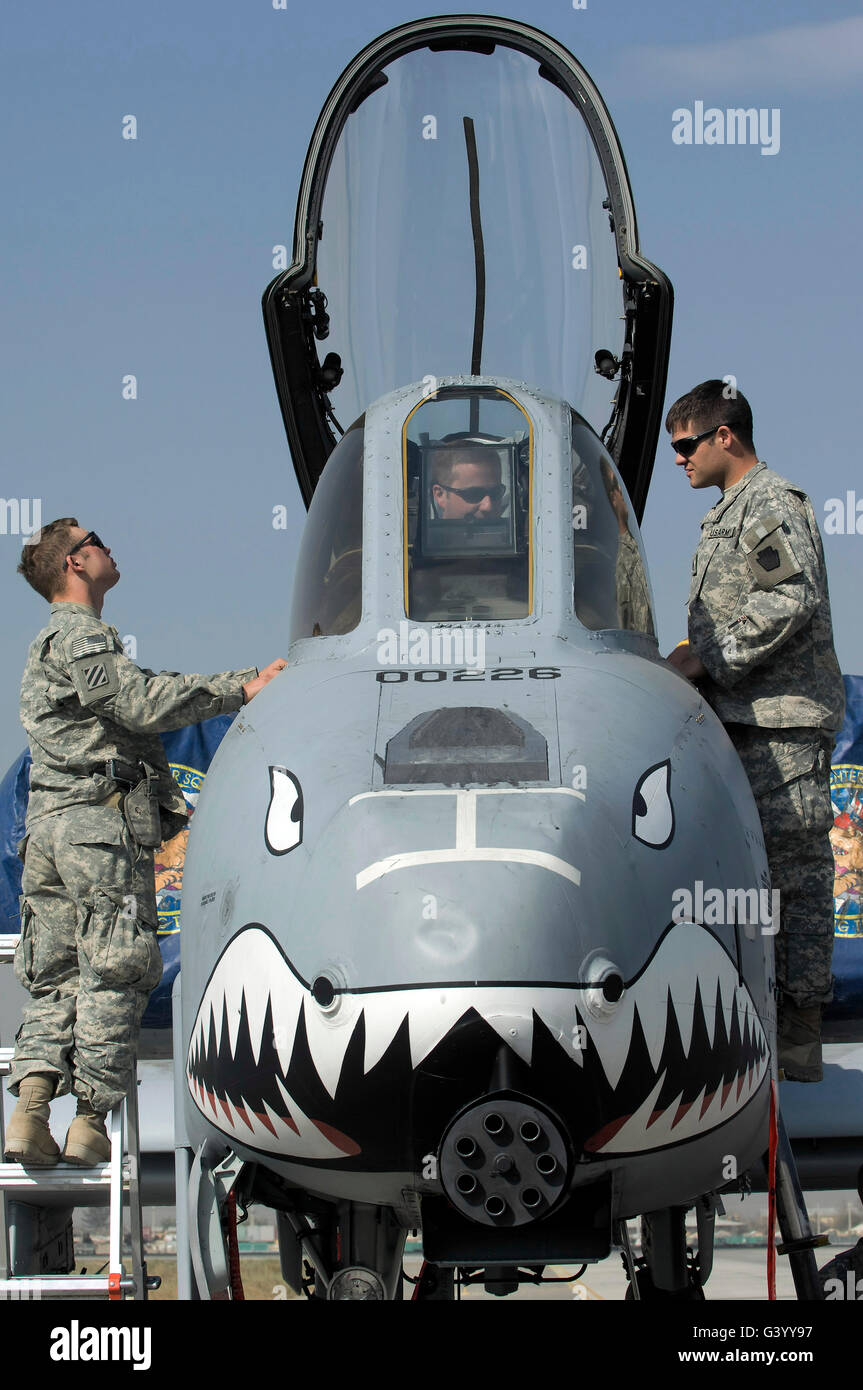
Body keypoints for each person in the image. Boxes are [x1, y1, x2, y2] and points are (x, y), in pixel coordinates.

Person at [5, 519, 287, 1165]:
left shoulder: (58, 643)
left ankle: (30, 1113)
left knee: (57, 979)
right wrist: (239, 691)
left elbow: (131, 699)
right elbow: (138, 703)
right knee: (117, 969)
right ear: (75, 563)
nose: (108, 547)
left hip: (50, 832)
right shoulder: (81, 634)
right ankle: (89, 1121)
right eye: (95, 538)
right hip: (95, 831)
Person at [664, 382, 844, 1082]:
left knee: (793, 881)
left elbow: (788, 597)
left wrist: (707, 657)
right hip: (745, 720)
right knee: (754, 880)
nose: (678, 459)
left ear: (724, 437)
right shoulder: (726, 515)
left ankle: (797, 1042)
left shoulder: (767, 504)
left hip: (781, 725)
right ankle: (761, 1028)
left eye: (685, 445)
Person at [429, 446, 506, 521]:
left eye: (496, 493)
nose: (488, 507)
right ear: (440, 494)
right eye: (474, 494)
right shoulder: (422, 534)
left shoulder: (514, 533)